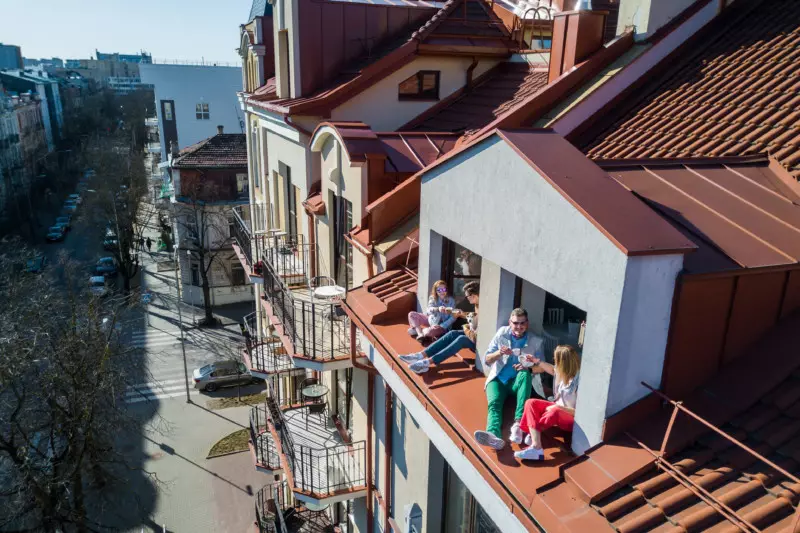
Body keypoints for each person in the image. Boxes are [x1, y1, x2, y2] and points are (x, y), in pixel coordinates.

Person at [473, 309, 544, 451]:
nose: (519, 326)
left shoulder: (536, 342)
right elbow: (487, 359)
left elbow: (542, 368)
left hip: (518, 382)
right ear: (509, 323)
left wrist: (528, 368)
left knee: (525, 374)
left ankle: (518, 424)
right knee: (494, 404)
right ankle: (493, 435)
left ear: (527, 323)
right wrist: (499, 353)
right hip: (498, 379)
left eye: (522, 323)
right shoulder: (502, 334)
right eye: (515, 323)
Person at [514, 345, 580, 461]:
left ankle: (535, 442)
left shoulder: (580, 381)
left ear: (564, 362)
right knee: (531, 402)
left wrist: (560, 409)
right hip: (557, 408)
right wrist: (535, 361)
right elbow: (548, 368)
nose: (554, 361)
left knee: (554, 410)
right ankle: (536, 444)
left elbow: (580, 413)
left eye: (556, 359)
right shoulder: (560, 371)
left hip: (571, 419)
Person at [400, 281, 479, 373]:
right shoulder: (477, 305)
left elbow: (477, 331)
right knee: (452, 333)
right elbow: (476, 316)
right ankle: (420, 355)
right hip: (473, 333)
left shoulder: (484, 307)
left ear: (474, 295)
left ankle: (427, 363)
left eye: (468, 297)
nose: (467, 299)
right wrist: (463, 314)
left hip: (478, 341)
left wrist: (466, 327)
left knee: (461, 338)